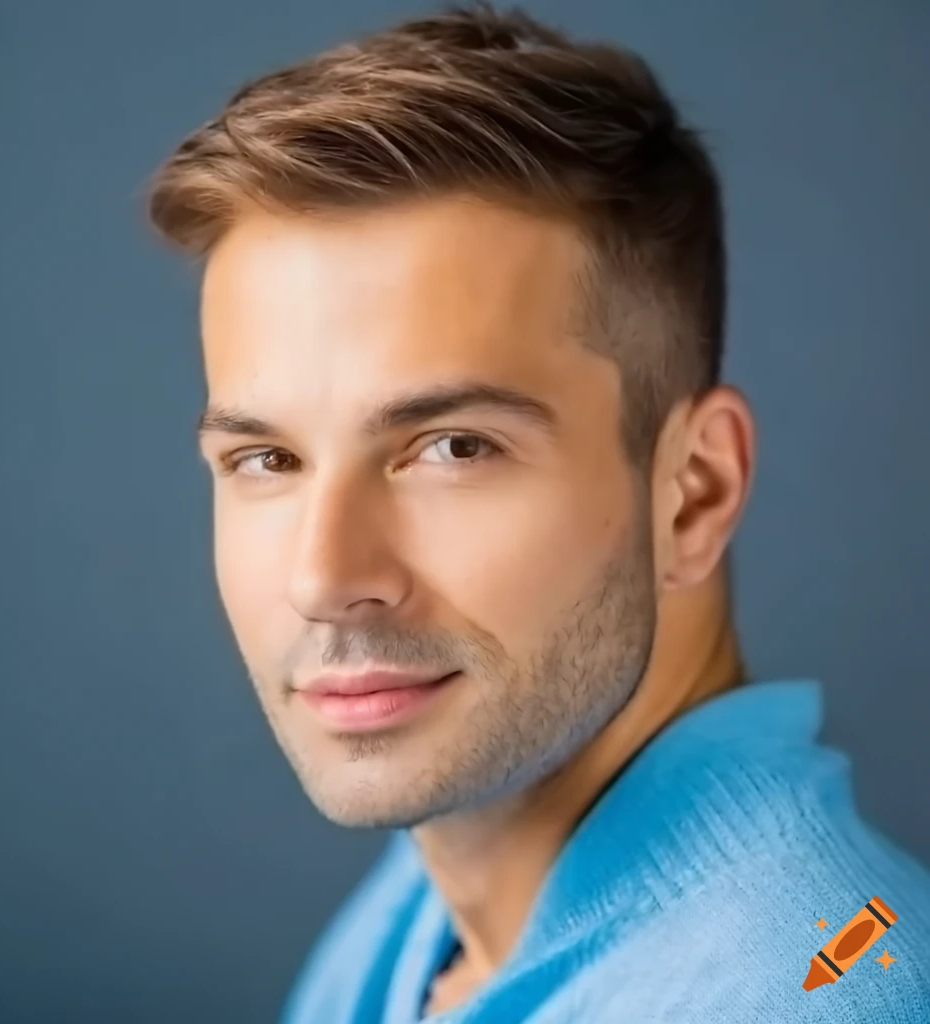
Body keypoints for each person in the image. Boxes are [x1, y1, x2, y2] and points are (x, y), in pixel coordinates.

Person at [145, 4, 930, 1021]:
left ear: (693, 491)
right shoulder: (405, 930)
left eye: (453, 447)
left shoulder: (810, 993)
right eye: (266, 457)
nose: (323, 575)